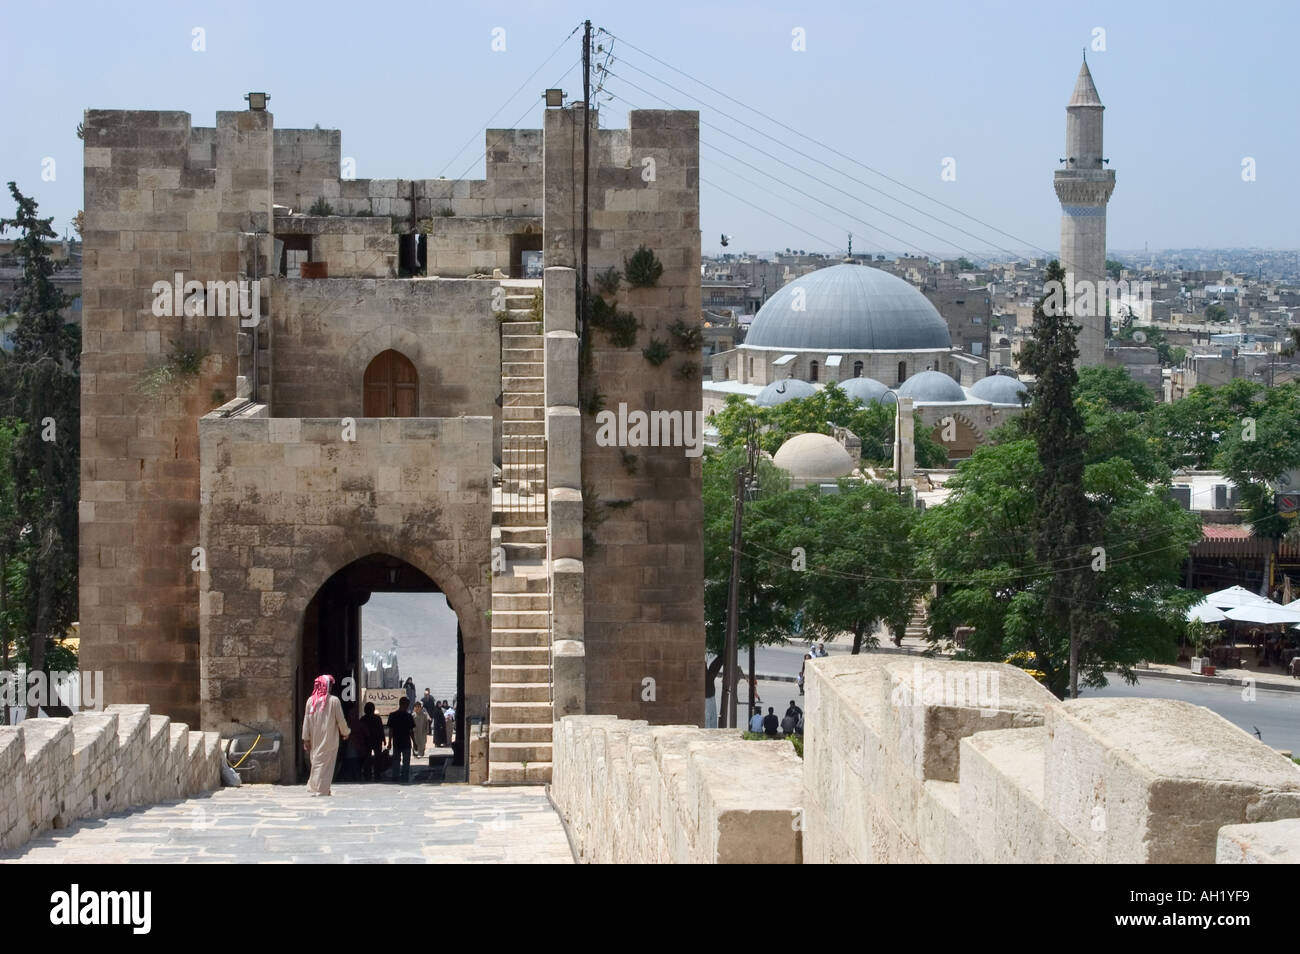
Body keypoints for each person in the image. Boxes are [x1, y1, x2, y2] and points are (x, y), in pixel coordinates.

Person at [301, 675, 349, 796]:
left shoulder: (310, 701)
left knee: (318, 762)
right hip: (329, 739)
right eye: (331, 685)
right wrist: (346, 732)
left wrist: (306, 738)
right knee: (324, 765)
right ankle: (321, 789)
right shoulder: (334, 701)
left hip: (315, 739)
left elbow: (306, 721)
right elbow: (341, 719)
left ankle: (316, 787)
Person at [386, 697, 416, 782]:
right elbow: (411, 731)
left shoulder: (393, 715)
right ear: (404, 704)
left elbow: (391, 730)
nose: (407, 706)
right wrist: (414, 743)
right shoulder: (408, 716)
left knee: (396, 760)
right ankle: (404, 777)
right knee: (406, 761)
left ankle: (395, 776)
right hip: (406, 742)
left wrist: (389, 742)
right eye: (407, 705)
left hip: (397, 742)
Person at [359, 701, 385, 781]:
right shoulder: (377, 718)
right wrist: (383, 739)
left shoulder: (363, 719)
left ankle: (368, 774)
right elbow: (381, 729)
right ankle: (377, 774)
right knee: (377, 758)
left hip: (367, 741)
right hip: (376, 740)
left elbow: (360, 731)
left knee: (367, 758)